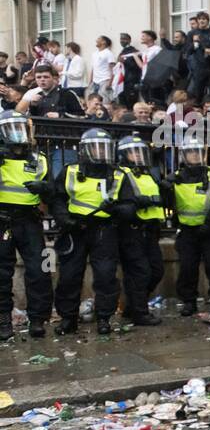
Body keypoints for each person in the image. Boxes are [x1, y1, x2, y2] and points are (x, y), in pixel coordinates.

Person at [52, 129, 136, 336]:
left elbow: (130, 206)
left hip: (104, 230)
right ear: (85, 150)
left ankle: (104, 318)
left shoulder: (119, 174)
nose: (100, 153)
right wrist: (65, 220)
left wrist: (115, 209)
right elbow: (57, 199)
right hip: (75, 229)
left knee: (106, 276)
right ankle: (68, 319)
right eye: (96, 148)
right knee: (69, 276)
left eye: (104, 148)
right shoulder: (70, 171)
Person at [0, 109, 54, 339]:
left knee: (39, 271)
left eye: (21, 128)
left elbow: (54, 193)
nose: (17, 134)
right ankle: (3, 322)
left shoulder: (39, 159)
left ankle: (37, 320)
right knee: (1, 274)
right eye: (11, 129)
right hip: (2, 220)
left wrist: (46, 189)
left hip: (30, 220)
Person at [164, 131, 210, 316]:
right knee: (187, 268)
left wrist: (209, 224)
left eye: (198, 151)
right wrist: (166, 189)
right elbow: (169, 205)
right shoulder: (176, 176)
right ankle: (189, 302)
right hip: (187, 230)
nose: (194, 155)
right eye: (190, 151)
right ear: (184, 155)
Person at [116, 134, 165, 325]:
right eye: (132, 152)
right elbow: (117, 202)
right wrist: (136, 203)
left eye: (140, 151)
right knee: (139, 272)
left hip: (150, 229)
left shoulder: (148, 174)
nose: (138, 155)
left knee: (156, 270)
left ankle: (133, 306)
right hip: (131, 230)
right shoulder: (120, 174)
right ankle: (139, 312)